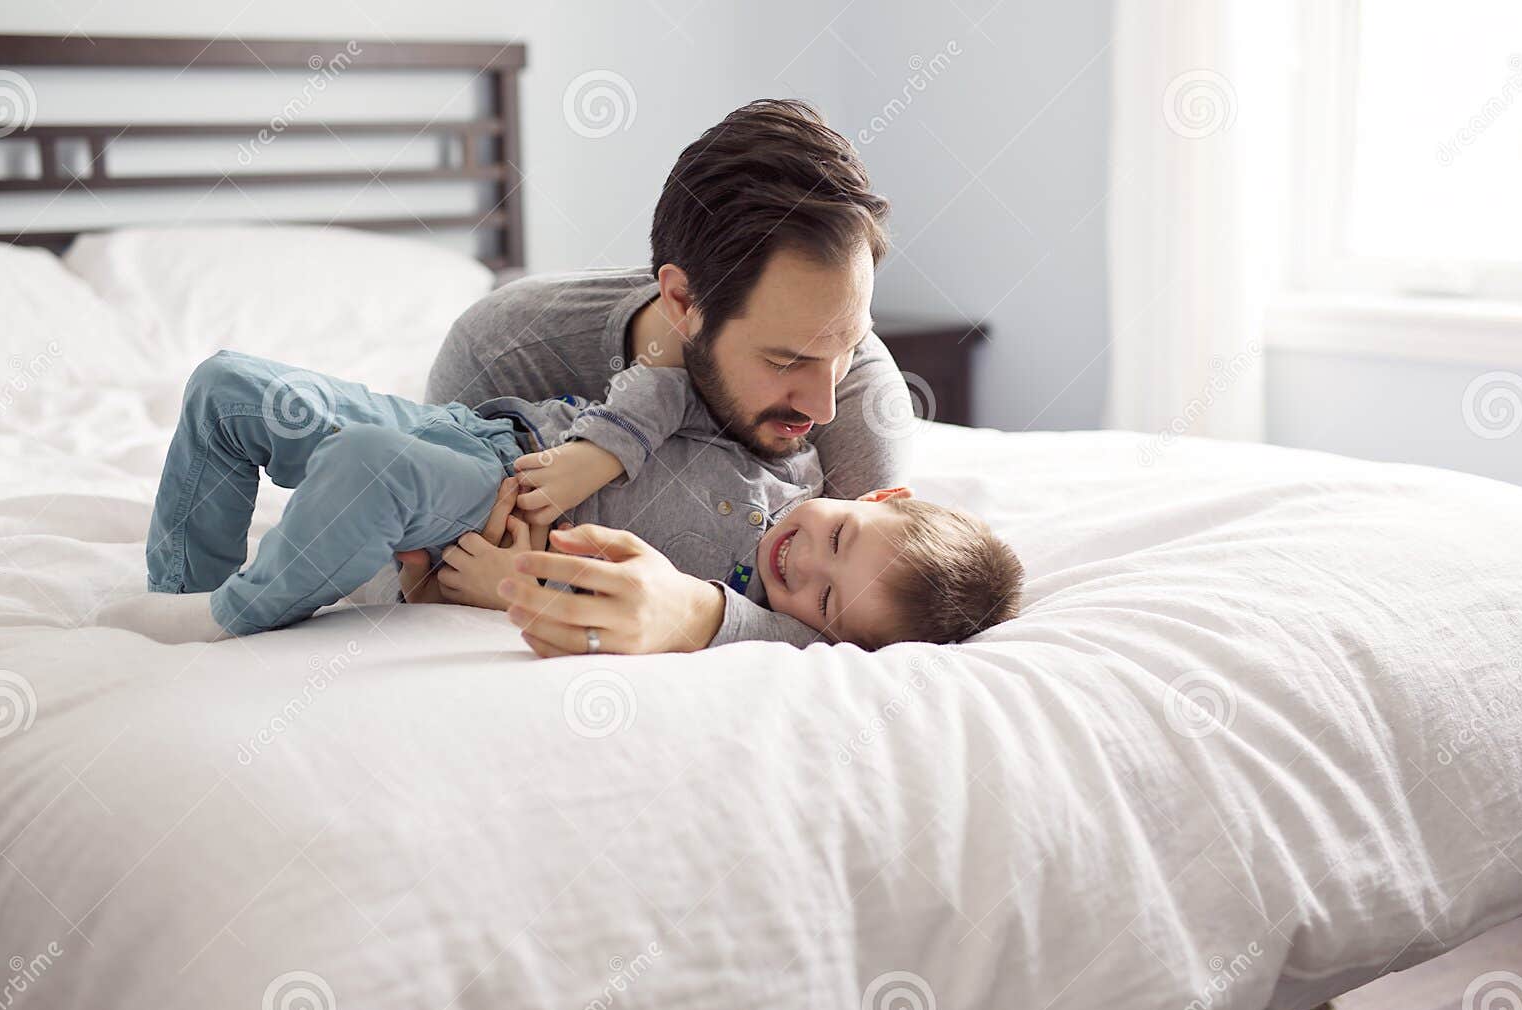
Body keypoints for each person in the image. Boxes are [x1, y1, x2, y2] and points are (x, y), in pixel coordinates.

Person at [418, 98, 921, 657]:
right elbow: (417, 557)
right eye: (785, 362)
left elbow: (863, 631)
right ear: (682, 300)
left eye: (848, 346)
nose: (824, 406)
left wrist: (696, 614)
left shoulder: (863, 398)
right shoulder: (504, 351)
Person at [92, 349, 1022, 649]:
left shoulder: (751, 618)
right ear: (878, 493)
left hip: (479, 500)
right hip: (481, 429)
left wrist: (505, 584)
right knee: (227, 387)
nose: (803, 563)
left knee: (371, 468)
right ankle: (183, 586)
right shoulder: (787, 455)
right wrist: (598, 452)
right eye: (841, 537)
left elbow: (598, 611)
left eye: (827, 599)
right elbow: (665, 378)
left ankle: (224, 617)